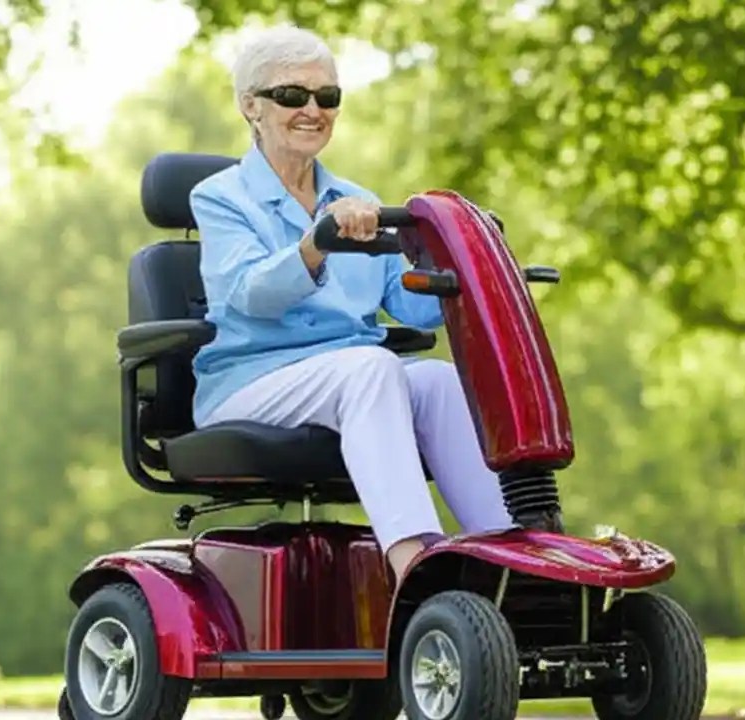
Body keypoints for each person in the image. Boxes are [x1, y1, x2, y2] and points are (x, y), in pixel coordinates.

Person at [189, 25, 514, 583]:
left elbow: (407, 308)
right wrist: (316, 243)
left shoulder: (354, 200)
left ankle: (510, 552)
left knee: (435, 380)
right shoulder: (220, 198)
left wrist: (461, 275)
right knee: (371, 368)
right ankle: (416, 564)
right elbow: (251, 295)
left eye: (327, 97)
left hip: (354, 378)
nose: (313, 110)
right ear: (252, 107)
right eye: (292, 95)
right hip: (251, 382)